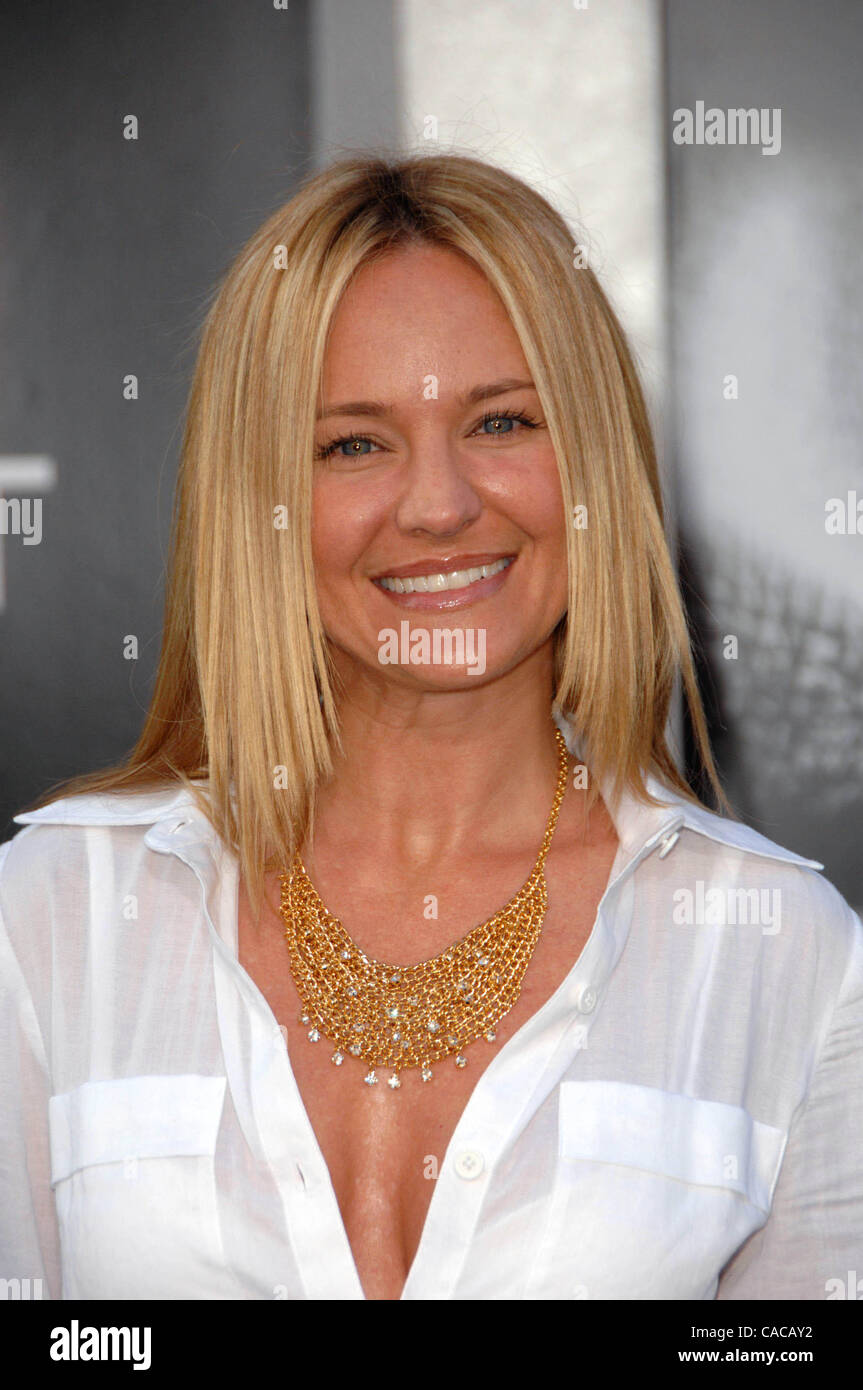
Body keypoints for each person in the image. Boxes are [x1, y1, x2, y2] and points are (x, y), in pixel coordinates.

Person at [1, 152, 860, 1302]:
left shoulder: (779, 952)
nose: (441, 503)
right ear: (257, 500)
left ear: (595, 462)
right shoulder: (54, 919)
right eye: (352, 443)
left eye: (501, 421)